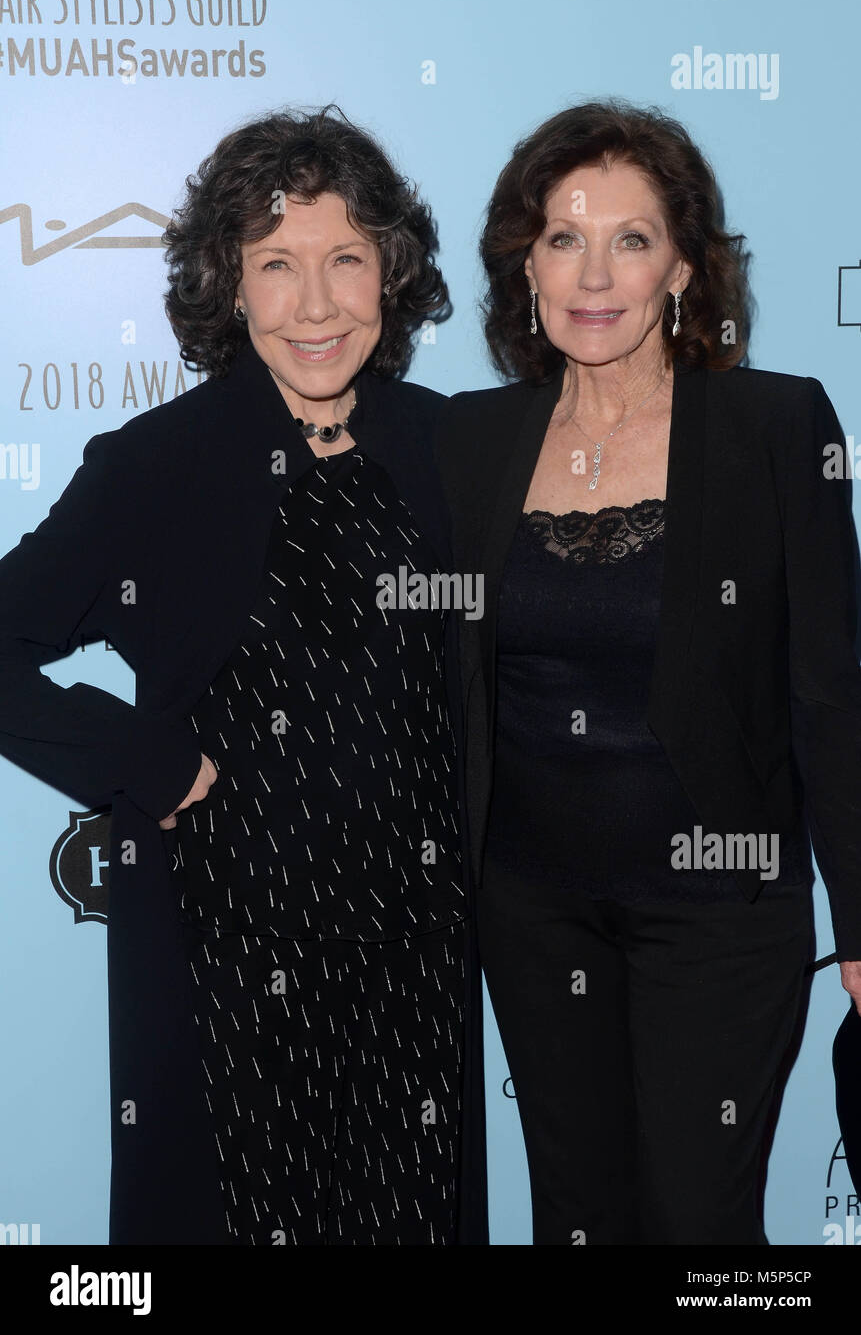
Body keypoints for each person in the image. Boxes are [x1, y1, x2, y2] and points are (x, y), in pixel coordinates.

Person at [0, 105, 487, 1245]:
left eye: (345, 261)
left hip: (410, 961)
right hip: (226, 952)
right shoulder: (156, 465)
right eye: (277, 265)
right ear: (230, 284)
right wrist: (142, 762)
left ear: (392, 274)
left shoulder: (453, 446)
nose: (316, 306)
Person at [436, 97, 861, 1245]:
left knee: (695, 1228)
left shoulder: (775, 425)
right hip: (531, 909)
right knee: (577, 1217)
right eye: (565, 236)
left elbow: (832, 689)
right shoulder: (469, 443)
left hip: (716, 908)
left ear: (684, 265)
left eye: (632, 238)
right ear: (526, 260)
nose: (595, 272)